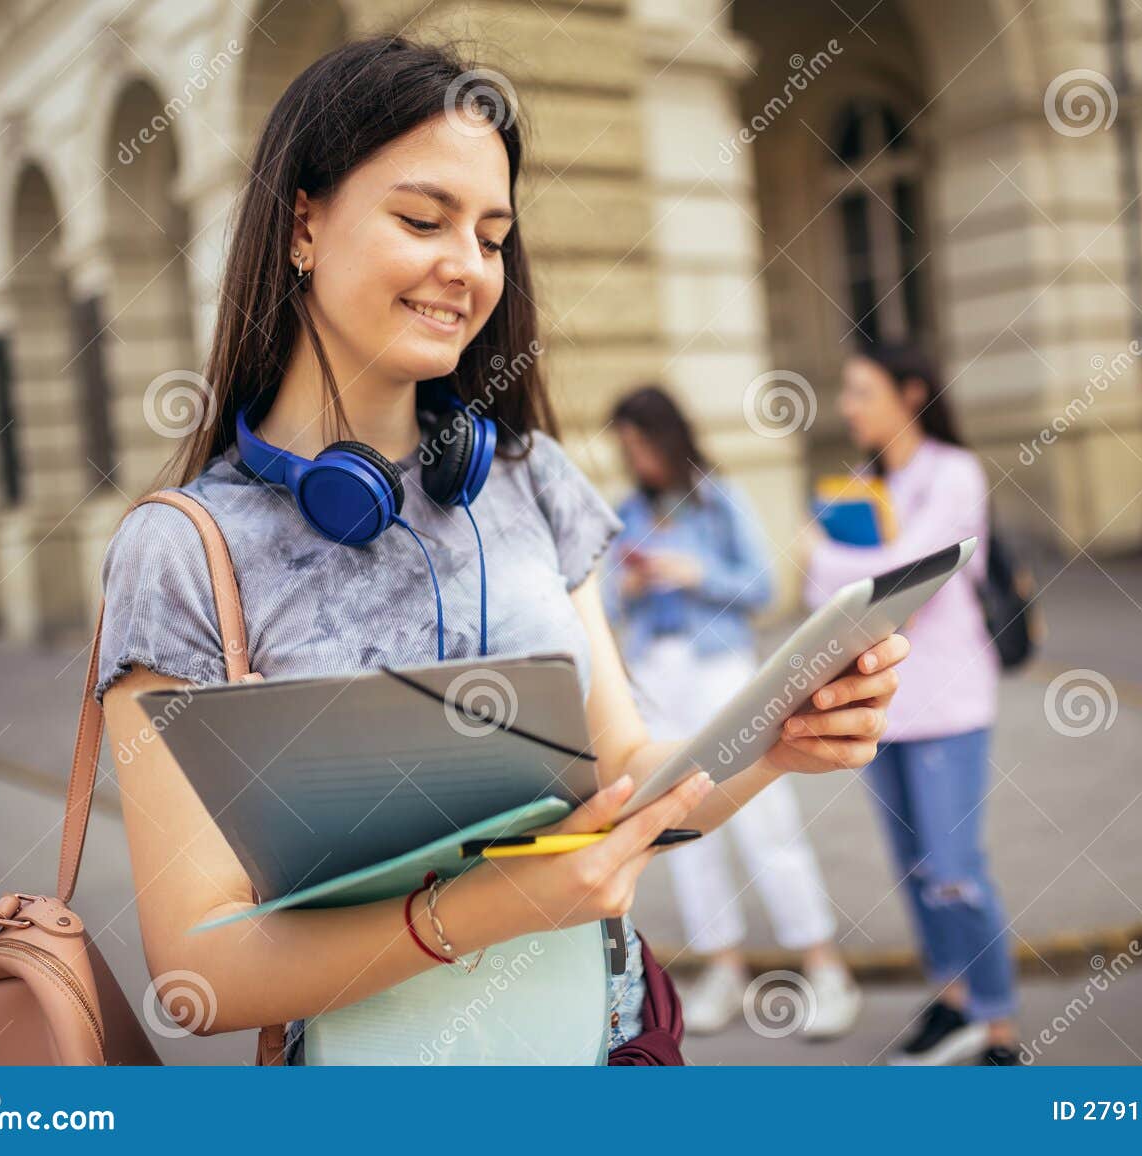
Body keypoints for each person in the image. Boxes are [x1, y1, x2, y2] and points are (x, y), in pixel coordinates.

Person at [94, 36, 909, 1066]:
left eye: (492, 235)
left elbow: (626, 779)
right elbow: (196, 972)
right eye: (423, 220)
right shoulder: (177, 553)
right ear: (302, 222)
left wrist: (769, 740)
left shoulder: (531, 479)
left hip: (619, 1046)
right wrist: (484, 908)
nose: (467, 268)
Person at [602, 386, 860, 1039]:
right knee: (675, 823)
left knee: (764, 819)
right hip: (657, 677)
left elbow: (764, 588)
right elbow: (602, 607)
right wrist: (628, 584)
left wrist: (696, 573)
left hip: (722, 670)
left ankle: (823, 966)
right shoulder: (627, 511)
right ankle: (724, 965)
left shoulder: (719, 499)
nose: (636, 458)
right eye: (625, 447)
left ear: (668, 436)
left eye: (641, 443)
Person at [804, 342, 1019, 1066]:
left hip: (951, 704)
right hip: (884, 704)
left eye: (862, 392)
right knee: (914, 869)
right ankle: (952, 1002)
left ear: (910, 393)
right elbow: (821, 603)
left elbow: (913, 577)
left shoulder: (954, 474)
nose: (847, 407)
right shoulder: (859, 485)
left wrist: (824, 556)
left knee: (955, 869)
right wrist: (841, 576)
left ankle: (998, 1033)